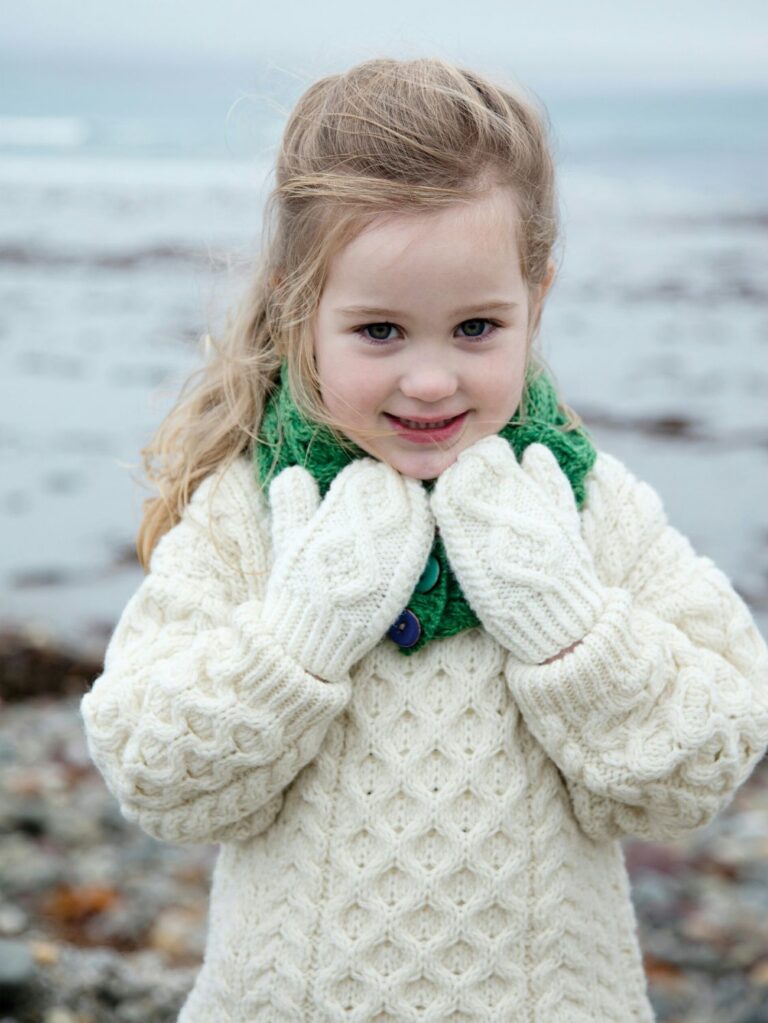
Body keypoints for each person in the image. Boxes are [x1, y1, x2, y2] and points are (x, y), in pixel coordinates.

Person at [79, 56, 768, 1022]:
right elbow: (156, 777)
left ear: (539, 295)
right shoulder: (255, 510)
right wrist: (301, 632)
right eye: (381, 332)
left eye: (478, 327)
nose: (433, 379)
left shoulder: (582, 505)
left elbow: (706, 761)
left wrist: (563, 623)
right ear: (298, 308)